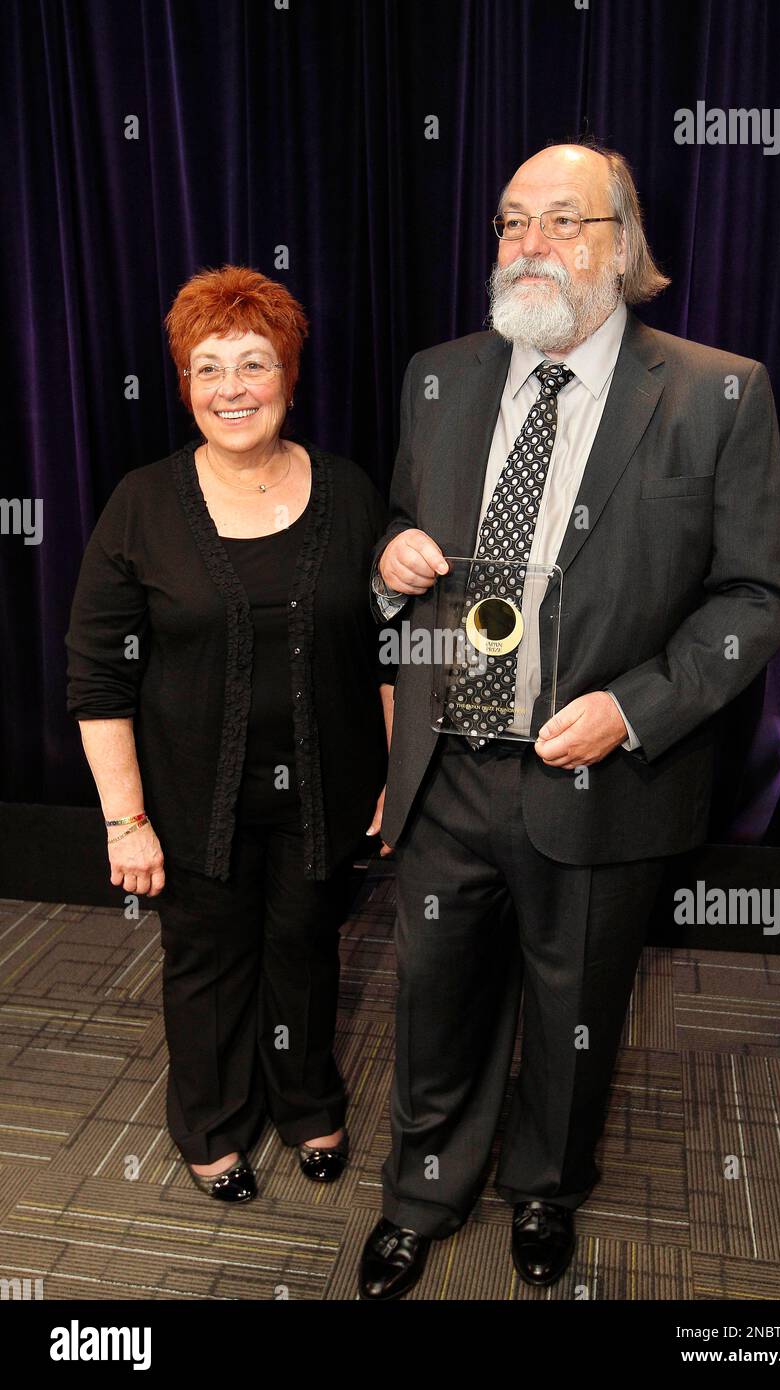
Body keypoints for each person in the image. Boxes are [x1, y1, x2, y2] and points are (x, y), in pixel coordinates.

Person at [359, 142, 780, 1298]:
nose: (530, 245)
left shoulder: (716, 389)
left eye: (561, 220)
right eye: (511, 223)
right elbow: (404, 551)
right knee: (434, 996)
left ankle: (545, 1188)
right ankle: (422, 1192)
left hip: (601, 775)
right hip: (448, 769)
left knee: (573, 1009)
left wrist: (631, 707)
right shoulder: (437, 376)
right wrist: (387, 568)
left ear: (622, 244)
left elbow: (757, 598)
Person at [66, 265, 394, 1201]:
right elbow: (98, 674)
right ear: (184, 386)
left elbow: (388, 646)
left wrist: (392, 770)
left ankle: (303, 1097)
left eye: (254, 364)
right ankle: (211, 1122)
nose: (232, 388)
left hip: (327, 789)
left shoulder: (350, 490)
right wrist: (125, 821)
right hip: (190, 795)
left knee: (306, 944)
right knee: (207, 962)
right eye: (208, 369)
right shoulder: (142, 502)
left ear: (290, 378)